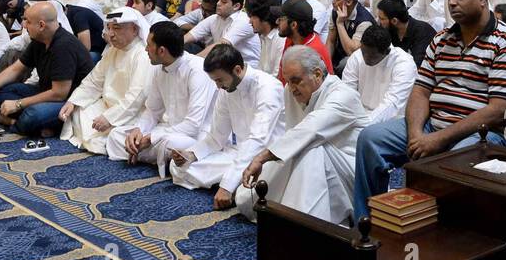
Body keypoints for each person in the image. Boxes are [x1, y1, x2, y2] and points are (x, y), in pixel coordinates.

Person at [352, 0, 506, 220]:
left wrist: (438, 139)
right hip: (432, 125)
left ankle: (438, 234)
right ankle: (369, 221)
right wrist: (417, 133)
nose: (452, 2)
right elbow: (421, 90)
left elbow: (499, 110)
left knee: (451, 160)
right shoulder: (441, 39)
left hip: (485, 135)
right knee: (370, 138)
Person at [237, 46, 368, 225]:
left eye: (296, 81)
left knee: (312, 148)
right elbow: (293, 135)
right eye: (288, 81)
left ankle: (306, 224)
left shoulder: (344, 95)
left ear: (317, 74)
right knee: (246, 198)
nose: (291, 88)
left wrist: (261, 158)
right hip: (307, 160)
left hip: (352, 171)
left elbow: (310, 130)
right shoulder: (290, 91)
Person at [168, 43, 285, 209]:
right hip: (238, 153)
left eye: (219, 80)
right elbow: (216, 136)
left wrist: (226, 186)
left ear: (237, 70)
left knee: (247, 202)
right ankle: (231, 183)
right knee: (180, 167)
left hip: (265, 159)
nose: (217, 86)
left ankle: (230, 185)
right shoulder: (226, 89)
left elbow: (258, 140)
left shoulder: (268, 87)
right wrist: (191, 155)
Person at [106, 20, 216, 170]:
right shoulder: (159, 69)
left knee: (169, 144)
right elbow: (152, 111)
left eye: (149, 45)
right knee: (116, 135)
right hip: (167, 131)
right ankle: (156, 157)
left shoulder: (197, 70)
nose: (145, 49)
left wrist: (151, 138)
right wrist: (139, 130)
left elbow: (193, 125)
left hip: (194, 136)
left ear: (162, 51)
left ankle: (154, 156)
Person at [0, 0, 94, 136]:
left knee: (32, 116)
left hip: (69, 102)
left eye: (28, 21)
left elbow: (59, 93)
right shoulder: (39, 40)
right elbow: (15, 69)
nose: (24, 25)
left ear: (41, 25)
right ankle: (42, 126)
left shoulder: (63, 46)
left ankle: (13, 122)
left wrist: (18, 104)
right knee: (2, 91)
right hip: (46, 92)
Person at [60, 8, 154, 153]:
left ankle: (107, 139)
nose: (110, 34)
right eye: (108, 28)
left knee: (115, 134)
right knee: (79, 108)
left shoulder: (142, 55)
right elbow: (93, 81)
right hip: (108, 106)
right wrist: (73, 101)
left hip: (131, 114)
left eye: (116, 28)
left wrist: (109, 118)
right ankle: (102, 137)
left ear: (135, 29)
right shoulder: (113, 51)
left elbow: (137, 97)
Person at [341, 24, 417, 124]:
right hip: (358, 115)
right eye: (364, 52)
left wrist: (364, 125)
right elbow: (346, 93)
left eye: (372, 55)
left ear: (387, 51)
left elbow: (392, 104)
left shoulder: (404, 63)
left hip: (391, 120)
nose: (366, 58)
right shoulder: (357, 57)